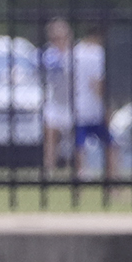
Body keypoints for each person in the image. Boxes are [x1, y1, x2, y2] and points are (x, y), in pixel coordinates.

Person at [69, 26, 121, 181]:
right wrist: (107, 106)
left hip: (77, 106)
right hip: (93, 109)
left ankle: (81, 176)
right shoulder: (97, 54)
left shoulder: (75, 51)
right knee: (111, 145)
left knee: (79, 145)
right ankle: (112, 178)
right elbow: (96, 83)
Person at [40, 18, 74, 175]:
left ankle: (75, 169)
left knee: (74, 139)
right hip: (55, 102)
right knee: (51, 137)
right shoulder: (49, 55)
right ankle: (49, 169)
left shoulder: (73, 54)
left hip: (71, 102)